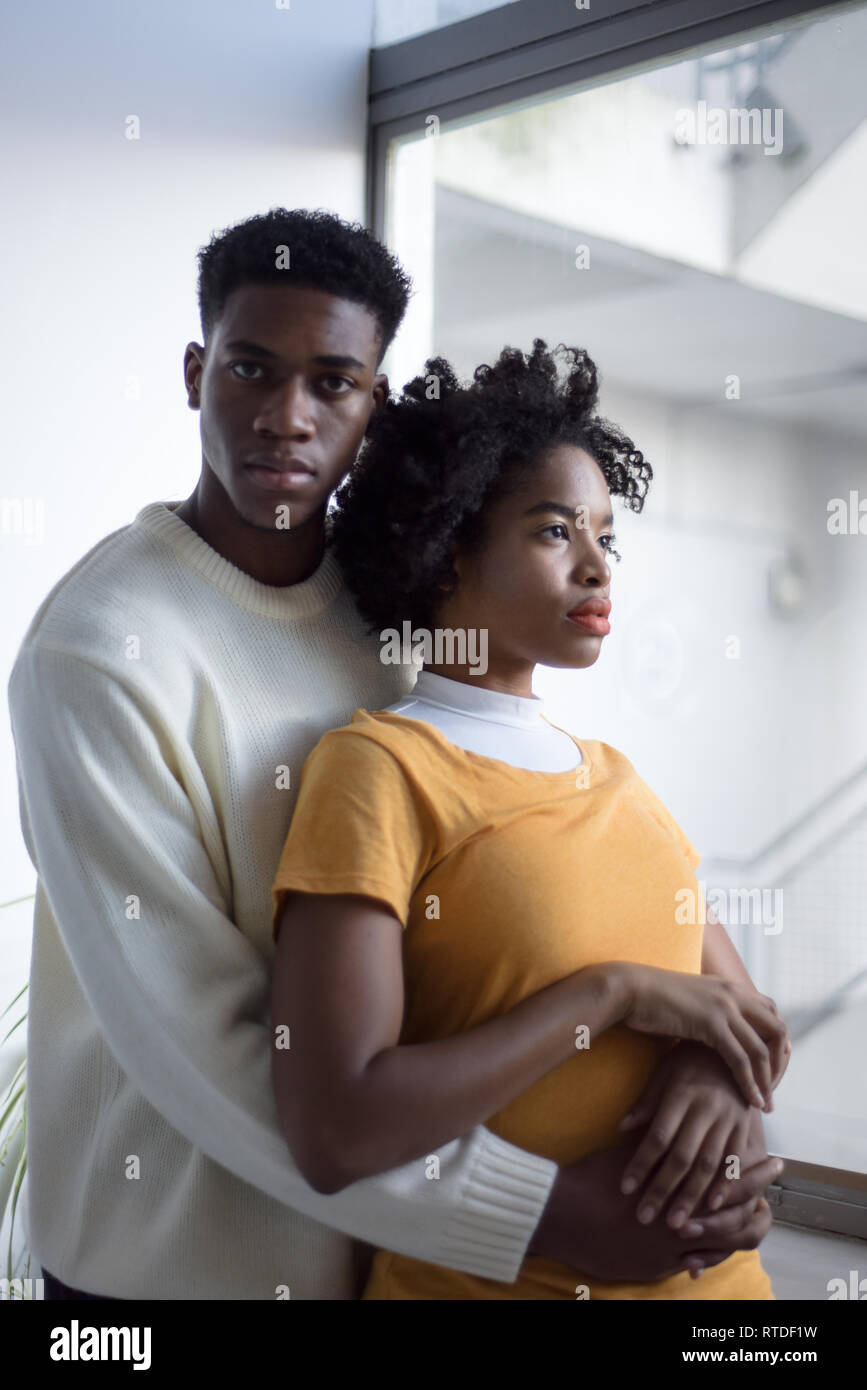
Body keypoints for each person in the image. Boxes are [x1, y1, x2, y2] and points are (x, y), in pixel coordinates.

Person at [7, 209, 783, 1302]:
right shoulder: (99, 649)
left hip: (378, 1267)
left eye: (332, 382)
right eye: (250, 368)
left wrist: (710, 1054)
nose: (286, 416)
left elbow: (581, 880)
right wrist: (549, 1220)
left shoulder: (406, 615)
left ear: (372, 405)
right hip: (173, 1270)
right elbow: (207, 1047)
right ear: (196, 372)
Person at [269, 340, 790, 1300]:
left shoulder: (619, 782)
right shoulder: (378, 770)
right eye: (555, 533)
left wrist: (714, 1082)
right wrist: (608, 997)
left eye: (604, 535)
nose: (597, 567)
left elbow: (745, 1024)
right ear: (446, 545)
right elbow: (334, 1130)